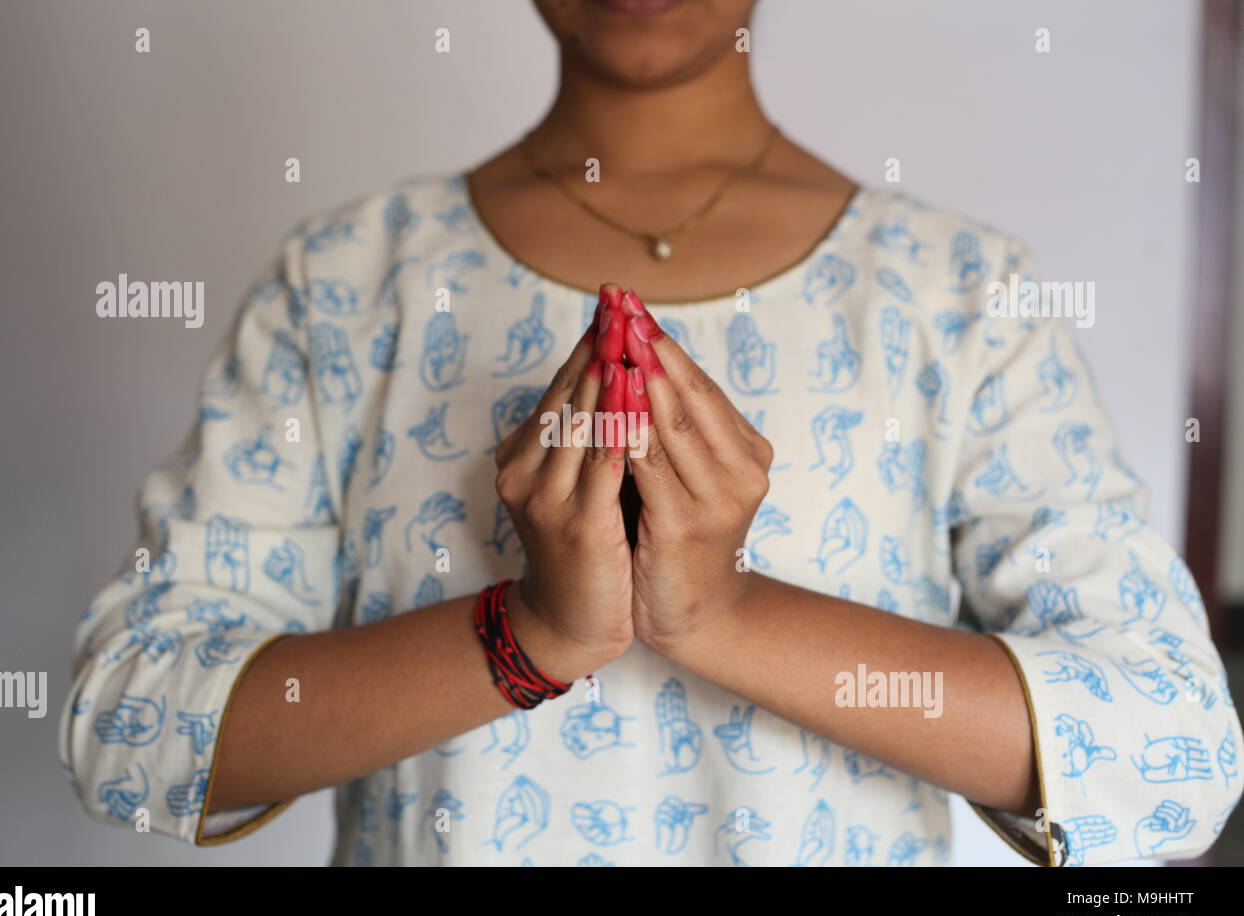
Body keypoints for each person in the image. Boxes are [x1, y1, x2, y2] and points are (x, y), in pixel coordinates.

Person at [60, 0, 1242, 866]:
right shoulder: (345, 280)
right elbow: (128, 720)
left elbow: (1166, 748)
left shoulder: (958, 293)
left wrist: (723, 615)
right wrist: (529, 633)